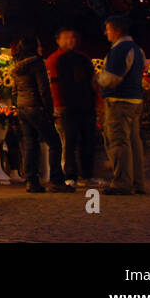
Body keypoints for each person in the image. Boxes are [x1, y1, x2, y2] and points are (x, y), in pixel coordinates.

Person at [11, 36, 74, 192]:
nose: (41, 48)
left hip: (22, 107)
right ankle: (56, 180)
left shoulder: (17, 66)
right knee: (55, 143)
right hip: (36, 107)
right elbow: (44, 89)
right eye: (39, 45)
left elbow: (14, 91)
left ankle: (31, 181)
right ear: (33, 47)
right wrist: (49, 109)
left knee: (30, 143)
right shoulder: (37, 63)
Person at [46, 26, 102, 186]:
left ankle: (87, 174)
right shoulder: (54, 60)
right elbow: (54, 85)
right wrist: (57, 105)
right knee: (69, 142)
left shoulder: (84, 58)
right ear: (58, 40)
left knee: (88, 141)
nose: (71, 40)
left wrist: (97, 103)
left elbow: (93, 83)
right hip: (67, 107)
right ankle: (70, 175)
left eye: (73, 37)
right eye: (66, 37)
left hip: (86, 106)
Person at [98, 15, 147, 195]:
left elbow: (112, 79)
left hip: (119, 101)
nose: (106, 32)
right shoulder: (137, 49)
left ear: (117, 30)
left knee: (119, 141)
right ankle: (137, 182)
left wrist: (98, 78)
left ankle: (121, 182)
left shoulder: (120, 49)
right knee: (134, 141)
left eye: (108, 29)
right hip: (135, 100)